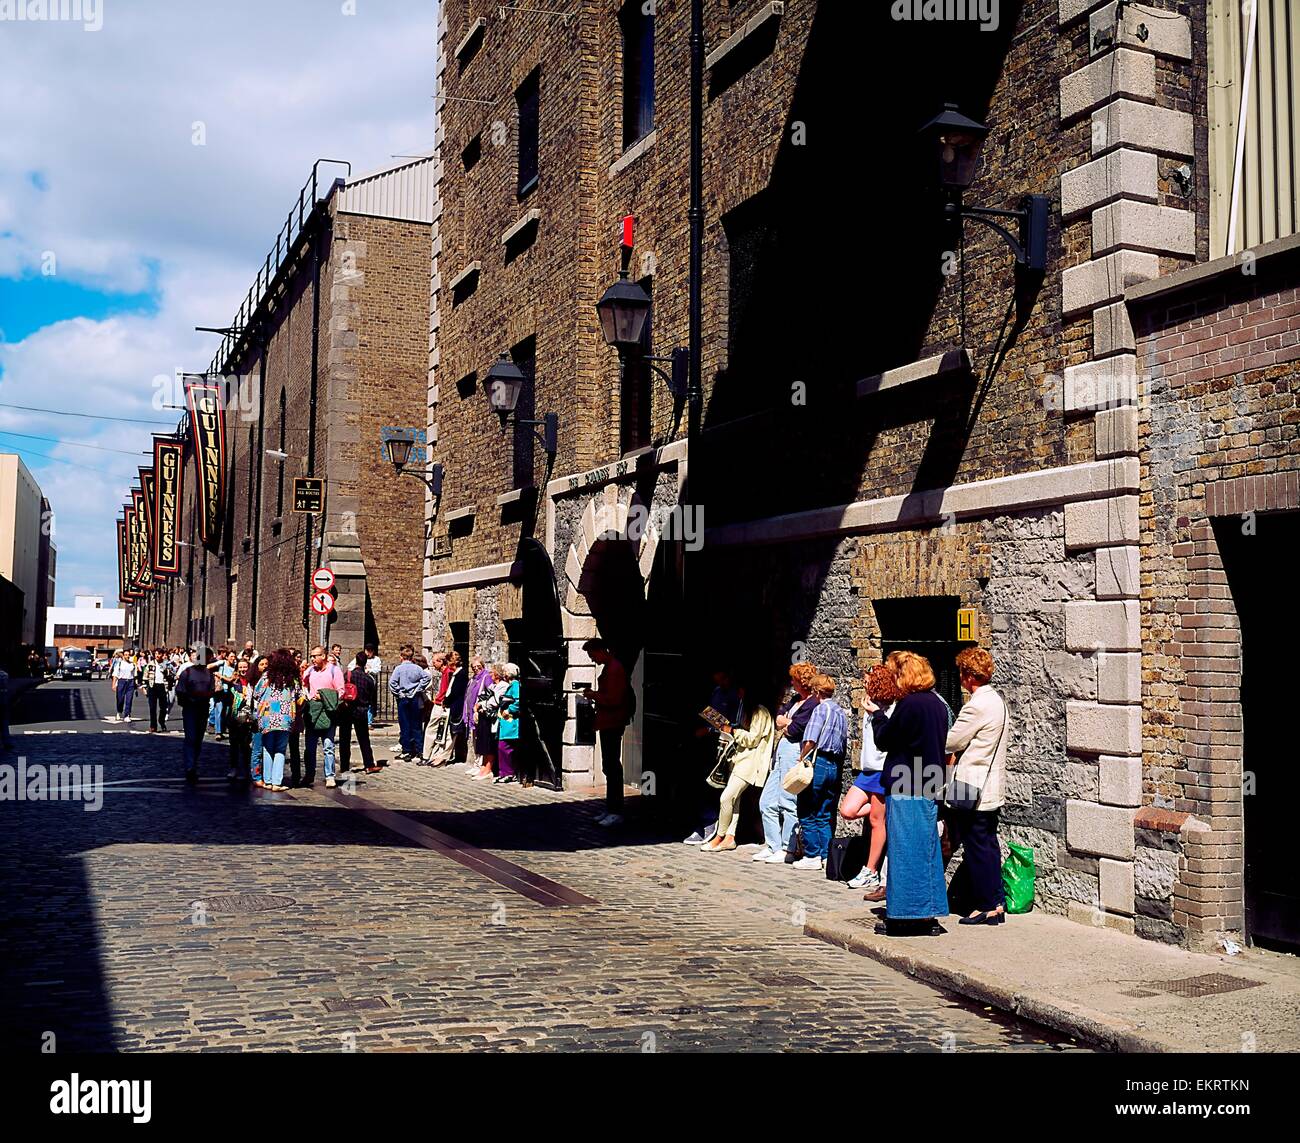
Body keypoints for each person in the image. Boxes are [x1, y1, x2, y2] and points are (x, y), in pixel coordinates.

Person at [865, 651, 951, 935]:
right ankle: (929, 915)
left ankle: (904, 915)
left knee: (904, 850)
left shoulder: (910, 704)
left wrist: (877, 715)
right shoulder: (937, 704)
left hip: (907, 780)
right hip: (929, 780)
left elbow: (885, 739)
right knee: (926, 849)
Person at [944, 647, 1011, 926]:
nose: (959, 676)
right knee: (987, 844)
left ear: (969, 675)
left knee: (977, 846)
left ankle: (986, 905)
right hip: (990, 786)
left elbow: (952, 741)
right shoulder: (997, 700)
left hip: (972, 785)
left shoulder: (977, 705)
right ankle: (995, 901)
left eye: (961, 672)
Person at [839, 662, 902, 896]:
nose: (864, 683)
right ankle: (883, 812)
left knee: (877, 822)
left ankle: (870, 869)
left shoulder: (890, 709)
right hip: (867, 771)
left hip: (881, 770)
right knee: (848, 810)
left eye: (867, 680)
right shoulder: (868, 705)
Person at [755, 662, 819, 863]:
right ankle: (772, 844)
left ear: (802, 681)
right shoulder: (795, 700)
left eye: (794, 679)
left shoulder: (812, 704)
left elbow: (796, 729)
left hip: (794, 751)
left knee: (787, 801)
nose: (791, 682)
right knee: (767, 801)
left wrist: (787, 723)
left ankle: (788, 848)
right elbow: (779, 716)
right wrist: (785, 721)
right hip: (781, 750)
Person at [703, 683, 776, 853]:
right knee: (734, 801)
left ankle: (719, 836)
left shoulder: (760, 712)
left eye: (742, 690)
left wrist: (733, 731)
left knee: (726, 798)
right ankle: (730, 837)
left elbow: (752, 739)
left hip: (749, 763)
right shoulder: (747, 709)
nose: (739, 693)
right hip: (740, 760)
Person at [792, 674, 848, 870]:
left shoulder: (820, 709)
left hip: (819, 762)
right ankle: (827, 856)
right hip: (834, 765)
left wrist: (801, 757)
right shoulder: (840, 711)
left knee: (807, 809)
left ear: (816, 691)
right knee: (824, 812)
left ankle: (812, 855)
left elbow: (810, 740)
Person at [584, 639, 633, 827]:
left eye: (593, 655)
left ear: (601, 651)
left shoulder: (614, 669)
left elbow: (613, 699)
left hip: (612, 722)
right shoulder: (610, 668)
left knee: (612, 766)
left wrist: (593, 695)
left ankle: (616, 810)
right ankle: (611, 807)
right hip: (607, 722)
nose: (592, 659)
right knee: (609, 766)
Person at [254, 649, 301, 792]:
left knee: (267, 748)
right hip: (285, 716)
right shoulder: (291, 678)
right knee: (280, 749)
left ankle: (267, 781)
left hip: (268, 716)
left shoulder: (266, 676)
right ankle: (277, 782)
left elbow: (256, 694)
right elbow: (299, 695)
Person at [302, 645, 344, 788]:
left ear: (324, 656)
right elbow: (303, 684)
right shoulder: (310, 671)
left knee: (328, 746)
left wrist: (325, 696)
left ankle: (330, 776)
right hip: (313, 712)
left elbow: (341, 691)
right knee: (310, 747)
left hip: (328, 713)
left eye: (315, 656)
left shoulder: (334, 670)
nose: (312, 659)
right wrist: (308, 696)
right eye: (311, 656)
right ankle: (309, 774)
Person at [174, 647, 217, 784]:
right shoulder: (187, 672)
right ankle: (190, 767)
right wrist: (190, 699)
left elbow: (211, 690)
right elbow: (180, 691)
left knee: (198, 739)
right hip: (190, 709)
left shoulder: (209, 674)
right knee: (191, 738)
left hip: (203, 708)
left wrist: (205, 696)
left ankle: (193, 764)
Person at [338, 650, 380, 774]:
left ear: (356, 661)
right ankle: (369, 764)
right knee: (364, 739)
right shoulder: (369, 679)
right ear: (365, 663)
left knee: (344, 738)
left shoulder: (348, 675)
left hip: (347, 708)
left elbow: (341, 689)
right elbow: (371, 697)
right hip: (361, 710)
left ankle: (344, 766)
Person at [389, 644, 430, 761]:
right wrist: (418, 689)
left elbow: (392, 683)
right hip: (415, 698)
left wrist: (399, 693)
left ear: (402, 656)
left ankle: (406, 751)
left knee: (405, 725)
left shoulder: (398, 669)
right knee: (417, 725)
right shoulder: (417, 668)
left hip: (403, 699)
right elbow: (426, 678)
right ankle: (419, 750)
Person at [471, 663, 505, 780]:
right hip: (484, 717)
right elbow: (483, 696)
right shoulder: (492, 686)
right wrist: (480, 703)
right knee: (483, 742)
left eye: (492, 673)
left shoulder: (502, 685)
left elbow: (494, 701)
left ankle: (488, 768)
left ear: (497, 674)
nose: (490, 675)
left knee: (489, 743)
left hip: (492, 718)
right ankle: (483, 766)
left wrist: (482, 704)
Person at [461, 656, 492, 776]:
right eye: (473, 667)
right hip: (470, 713)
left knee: (480, 740)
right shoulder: (472, 679)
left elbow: (489, 694)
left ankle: (481, 765)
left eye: (478, 666)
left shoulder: (486, 677)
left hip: (479, 714)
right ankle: (476, 763)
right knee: (474, 739)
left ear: (483, 666)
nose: (476, 669)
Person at [226, 658, 255, 783]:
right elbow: (228, 700)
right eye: (241, 667)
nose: (243, 669)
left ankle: (247, 769)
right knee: (234, 743)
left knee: (246, 744)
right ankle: (234, 768)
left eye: (245, 667)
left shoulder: (252, 682)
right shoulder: (234, 683)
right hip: (234, 716)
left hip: (248, 717)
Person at [494, 663, 522, 784]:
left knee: (504, 747)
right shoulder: (510, 685)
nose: (503, 674)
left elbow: (517, 701)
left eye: (504, 672)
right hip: (505, 721)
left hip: (510, 721)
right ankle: (504, 772)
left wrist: (509, 710)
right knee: (502, 747)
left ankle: (509, 773)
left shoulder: (515, 685)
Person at [141, 648, 174, 733]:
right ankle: (153, 726)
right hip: (153, 686)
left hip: (163, 686)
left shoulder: (167, 664)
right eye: (156, 654)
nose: (157, 656)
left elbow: (172, 675)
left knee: (163, 707)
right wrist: (144, 687)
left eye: (159, 654)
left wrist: (166, 672)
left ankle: (161, 721)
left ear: (162, 655)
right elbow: (145, 675)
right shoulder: (150, 664)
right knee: (152, 707)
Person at [110, 650, 136, 722]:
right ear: (123, 656)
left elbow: (134, 675)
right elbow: (115, 674)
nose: (127, 656)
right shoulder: (120, 664)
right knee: (120, 699)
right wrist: (114, 684)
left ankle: (127, 715)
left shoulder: (132, 664)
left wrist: (135, 684)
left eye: (128, 655)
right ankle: (119, 711)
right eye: (126, 655)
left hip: (130, 682)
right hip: (121, 681)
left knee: (129, 699)